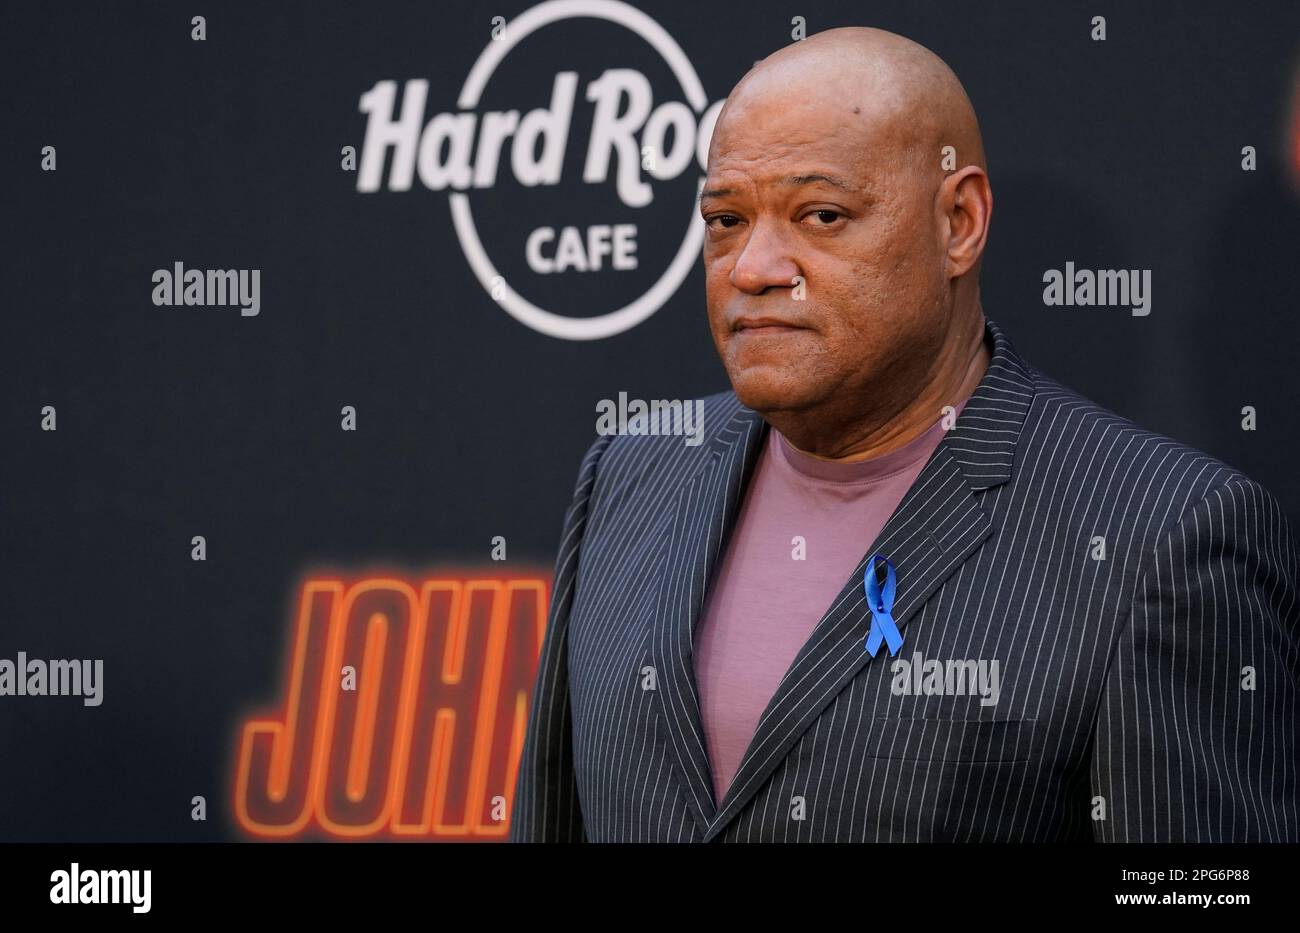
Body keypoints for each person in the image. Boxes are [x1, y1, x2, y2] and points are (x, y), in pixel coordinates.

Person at [510, 26, 1299, 842]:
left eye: (820, 214)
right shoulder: (629, 475)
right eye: (726, 219)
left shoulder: (1162, 535)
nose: (752, 267)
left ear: (959, 222)